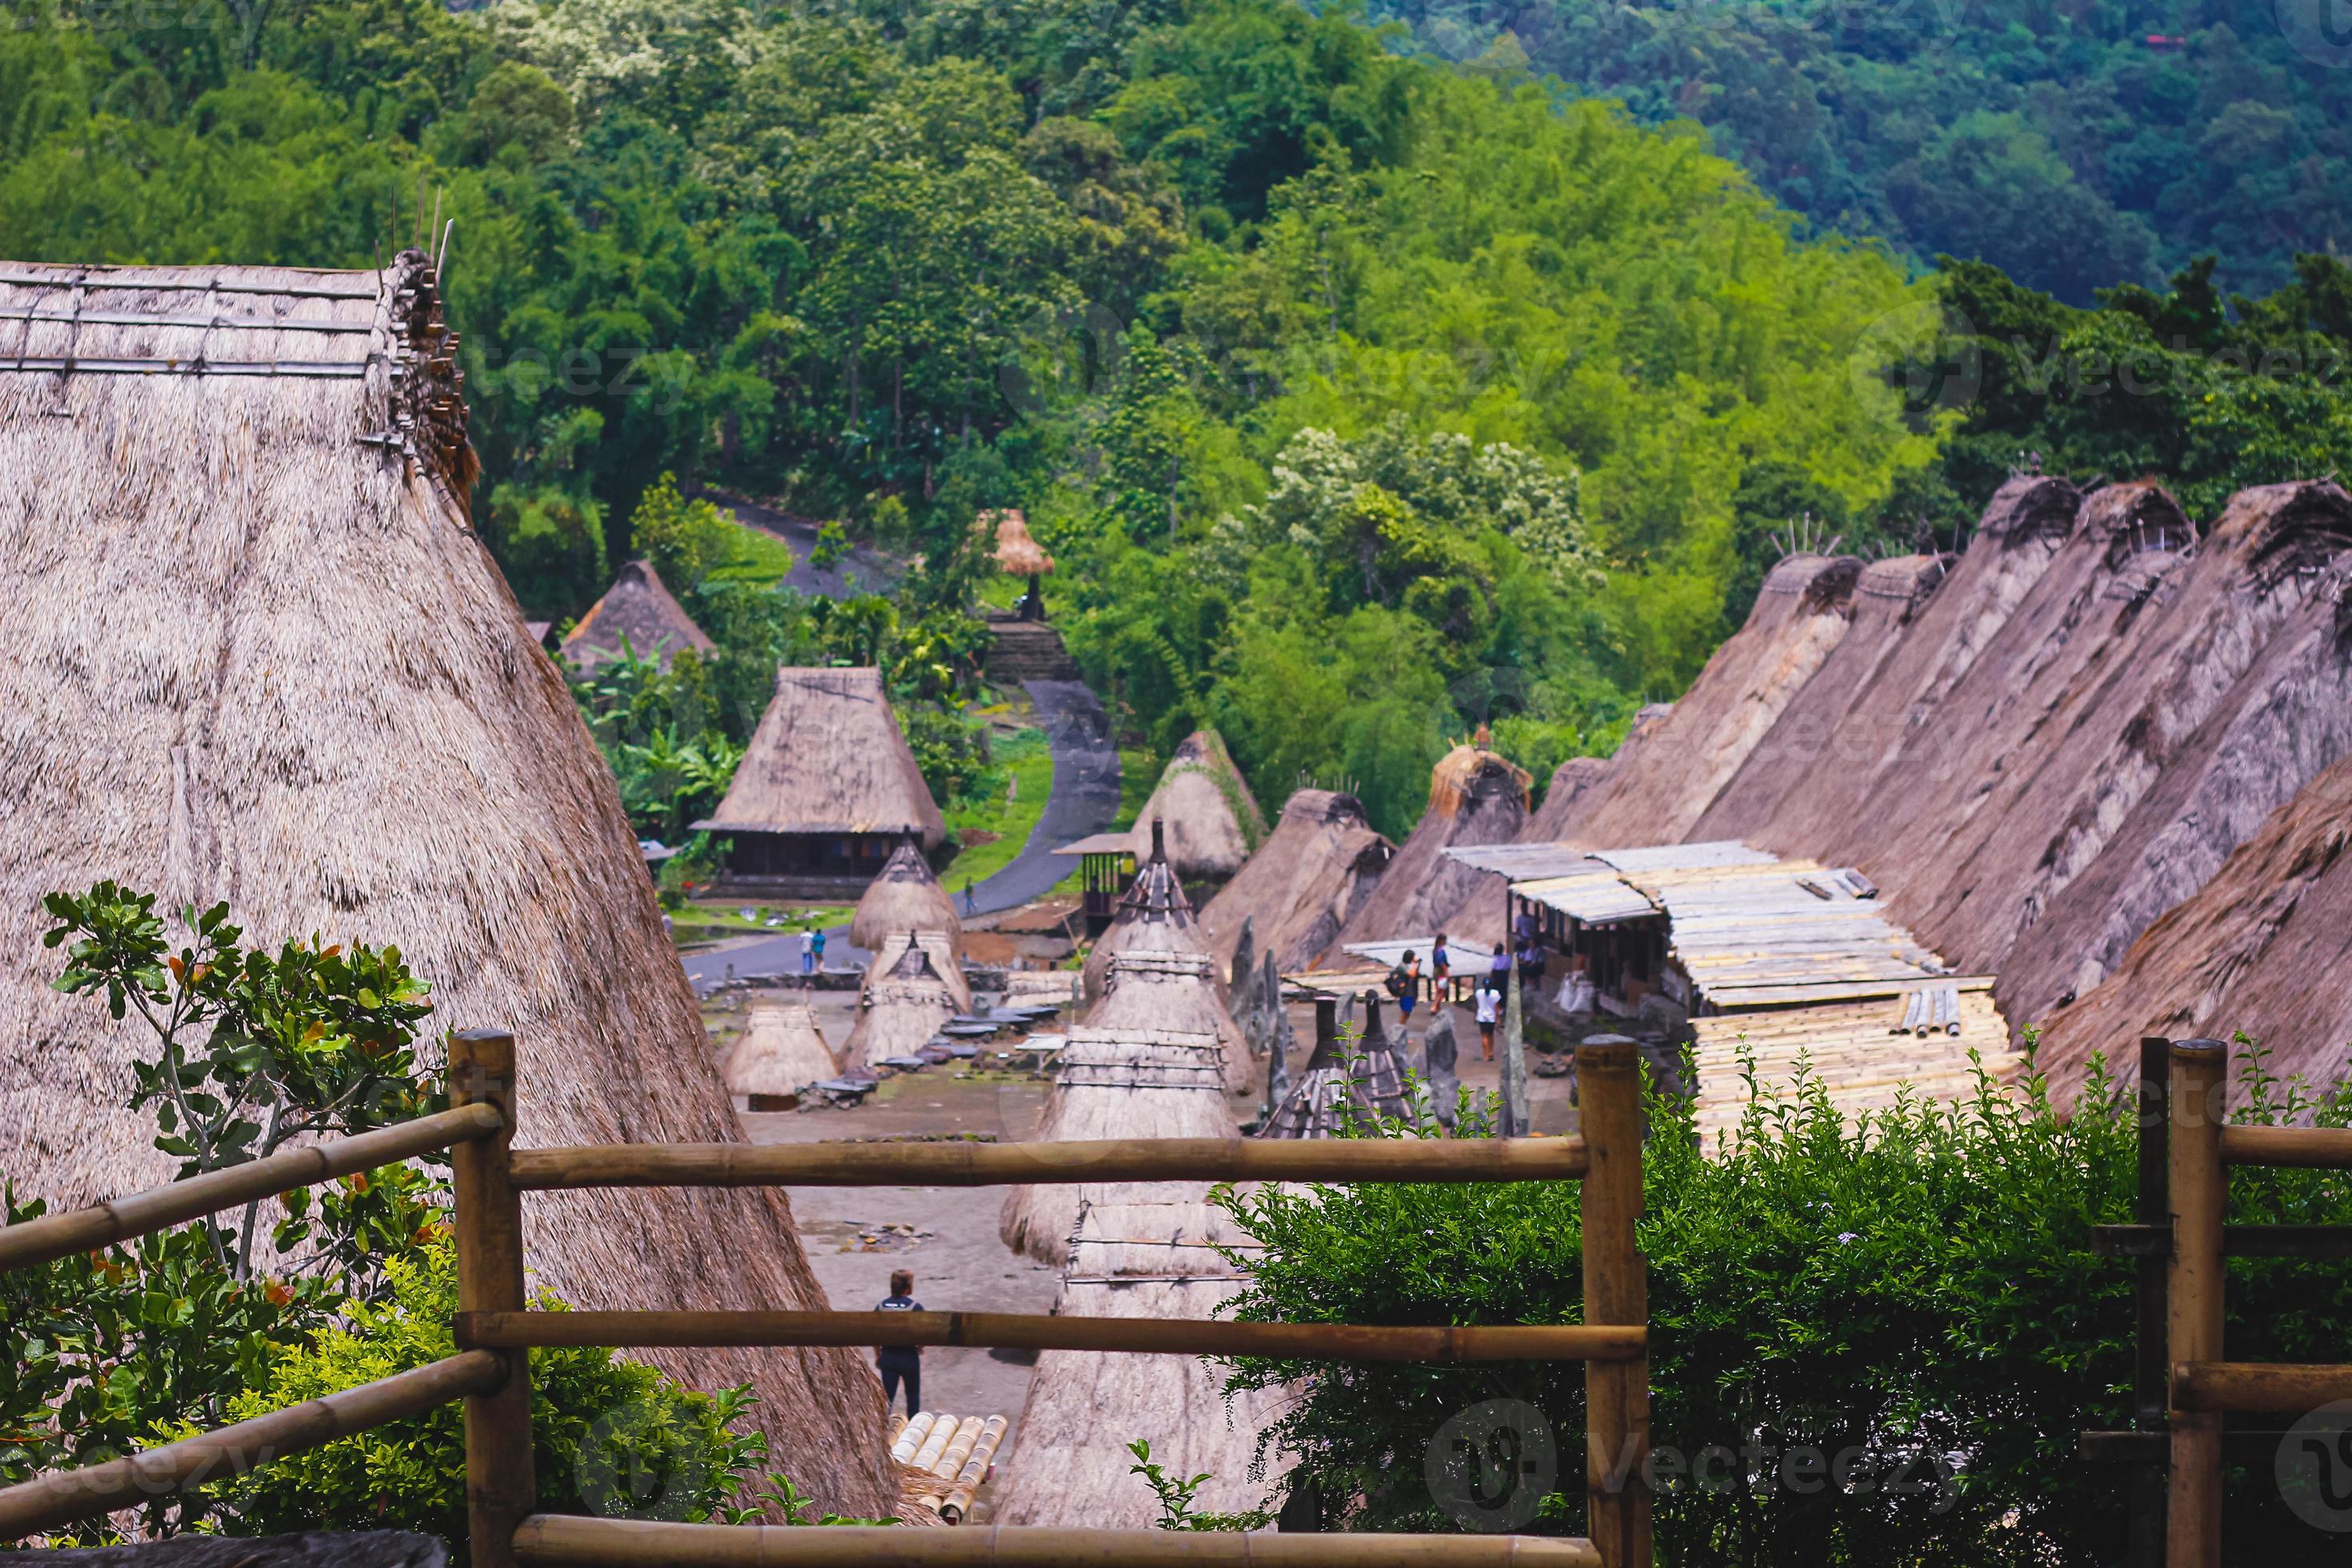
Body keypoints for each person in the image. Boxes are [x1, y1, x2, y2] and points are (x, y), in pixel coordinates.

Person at [875, 1268, 922, 1415]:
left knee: (887, 1398)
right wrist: (920, 1347)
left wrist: (878, 1355)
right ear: (908, 1288)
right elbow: (925, 1331)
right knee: (913, 1395)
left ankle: (883, 1431)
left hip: (888, 1357)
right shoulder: (915, 1307)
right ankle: (913, 1429)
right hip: (909, 1356)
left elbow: (873, 1334)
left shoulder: (881, 1307)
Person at [1474, 976, 1502, 1062]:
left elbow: (1477, 1004)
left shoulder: (1479, 993)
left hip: (1482, 1017)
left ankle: (1486, 1055)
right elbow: (1497, 1007)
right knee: (1491, 1035)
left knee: (1484, 1036)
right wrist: (1498, 1018)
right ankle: (1491, 1052)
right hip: (1491, 1017)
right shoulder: (1495, 993)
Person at [1386, 951, 1418, 1022]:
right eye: (1414, 957)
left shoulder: (1406, 966)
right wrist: (1416, 964)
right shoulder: (1402, 966)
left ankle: (1401, 1026)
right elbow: (1412, 974)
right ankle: (1400, 1027)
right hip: (1405, 993)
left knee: (1407, 1012)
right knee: (1405, 1012)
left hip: (1408, 992)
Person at [1430, 933, 1451, 1002]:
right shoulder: (1440, 951)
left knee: (1439, 989)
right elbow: (1442, 963)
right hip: (1441, 972)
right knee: (1441, 990)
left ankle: (1437, 1007)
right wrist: (1447, 973)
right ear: (1441, 941)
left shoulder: (1435, 950)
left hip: (1436, 971)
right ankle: (1434, 1007)